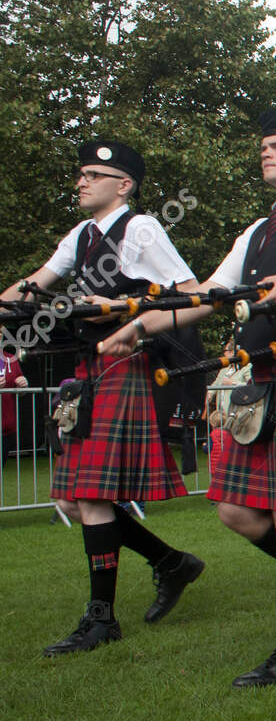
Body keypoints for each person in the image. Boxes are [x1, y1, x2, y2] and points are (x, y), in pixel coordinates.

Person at [101, 107, 276, 686]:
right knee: (235, 510)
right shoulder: (258, 232)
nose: (266, 151)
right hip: (258, 390)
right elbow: (209, 295)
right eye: (264, 144)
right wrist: (139, 325)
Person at [4, 141, 205, 654]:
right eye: (81, 174)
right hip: (91, 364)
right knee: (75, 494)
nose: (81, 182)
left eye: (93, 174)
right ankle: (170, 561)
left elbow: (189, 290)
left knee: (91, 495)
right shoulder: (82, 235)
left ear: (124, 185)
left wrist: (120, 310)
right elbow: (32, 286)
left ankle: (102, 617)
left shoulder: (140, 229)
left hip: (129, 361)